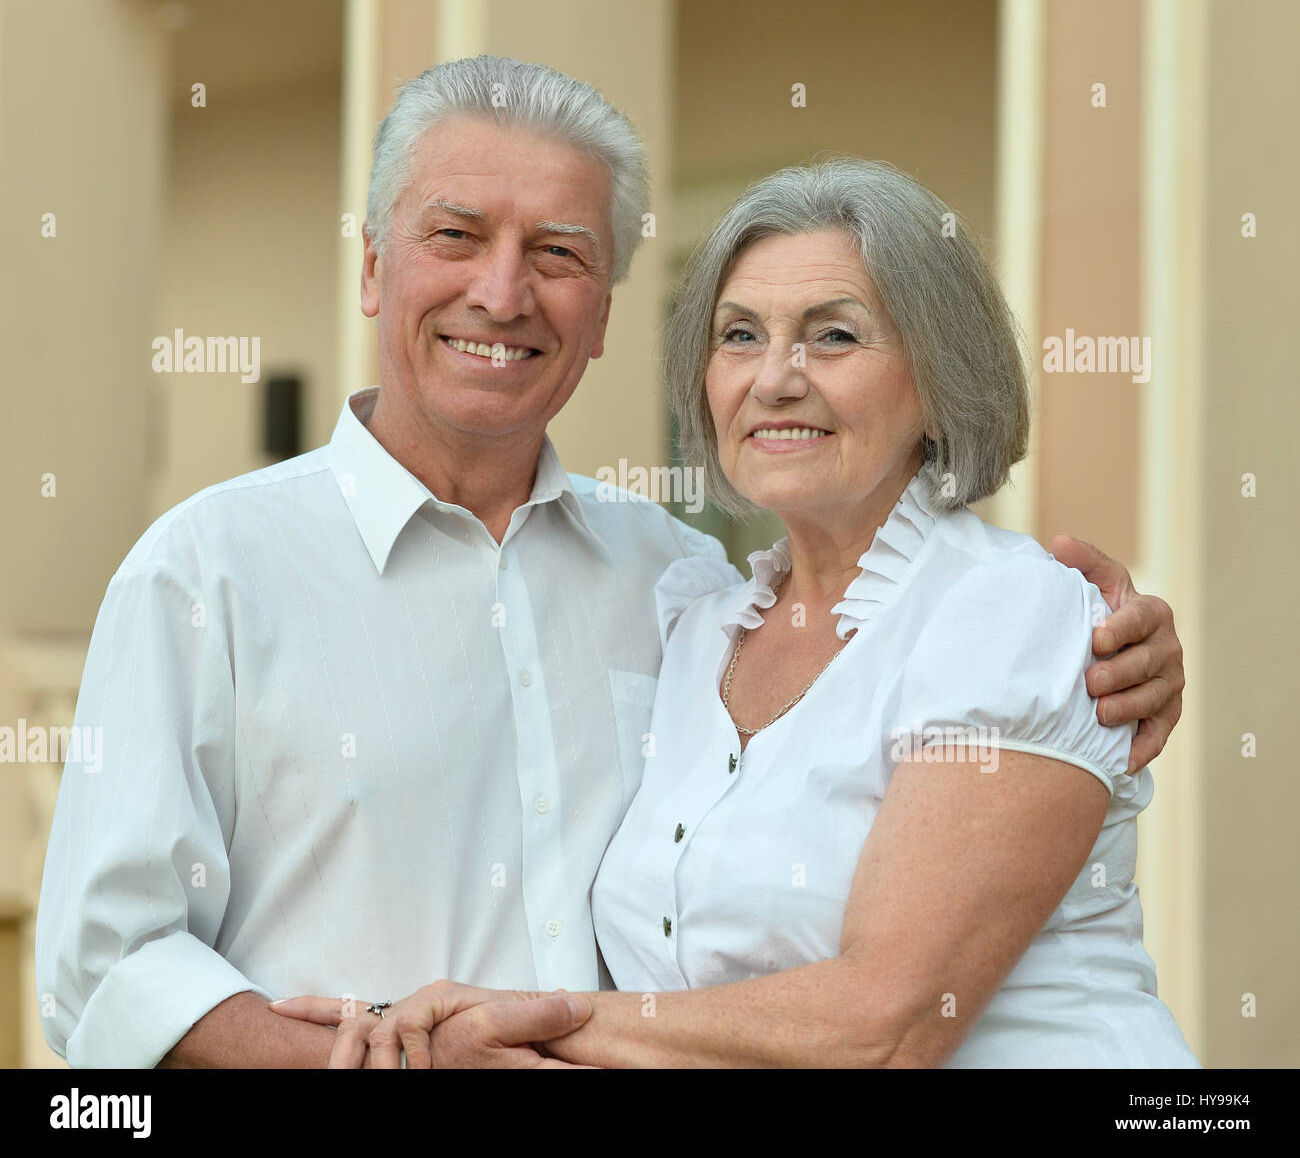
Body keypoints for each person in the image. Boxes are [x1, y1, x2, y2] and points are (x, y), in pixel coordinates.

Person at [37, 57, 1184, 1068]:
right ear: (375, 269)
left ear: (600, 318)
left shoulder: (672, 579)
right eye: (455, 234)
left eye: (558, 253)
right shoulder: (207, 570)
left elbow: (882, 1000)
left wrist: (1113, 651)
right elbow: (111, 961)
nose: (501, 291)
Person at [289, 159, 1197, 1068]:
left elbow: (884, 1028)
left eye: (834, 336)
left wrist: (518, 1024)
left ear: (937, 376)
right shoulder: (690, 622)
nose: (775, 379)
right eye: (739, 336)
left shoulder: (1011, 611)